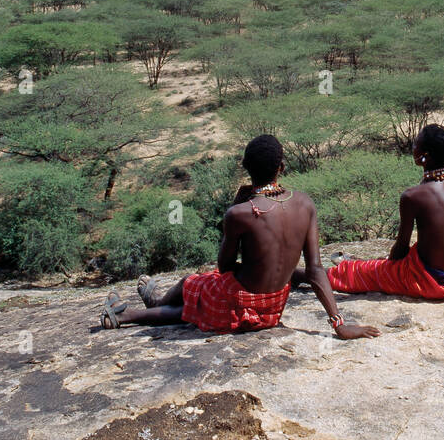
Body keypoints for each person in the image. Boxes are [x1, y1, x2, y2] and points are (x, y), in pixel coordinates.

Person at [99, 135, 379, 340]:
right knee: (196, 299)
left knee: (192, 282)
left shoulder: (241, 213)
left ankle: (142, 309)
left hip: (236, 303)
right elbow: (316, 269)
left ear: (246, 168)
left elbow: (224, 268)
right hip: (272, 308)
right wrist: (339, 323)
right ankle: (134, 311)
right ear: (281, 167)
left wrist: (234, 208)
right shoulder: (305, 204)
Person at [320, 124, 444, 300]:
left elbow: (401, 249)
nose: (413, 146)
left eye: (415, 143)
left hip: (432, 278)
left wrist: (384, 265)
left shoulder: (412, 196)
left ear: (423, 156)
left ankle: (303, 275)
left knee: (354, 273)